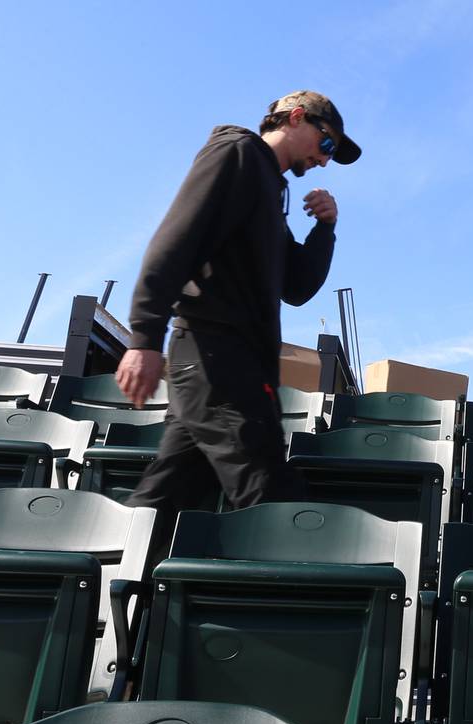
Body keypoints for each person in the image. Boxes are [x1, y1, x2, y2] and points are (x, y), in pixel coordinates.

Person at [115, 90, 361, 514]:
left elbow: (296, 287)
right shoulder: (237, 155)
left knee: (166, 504)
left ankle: (114, 574)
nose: (325, 160)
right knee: (271, 501)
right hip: (219, 358)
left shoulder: (270, 191)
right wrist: (144, 338)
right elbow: (175, 242)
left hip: (230, 362)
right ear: (296, 117)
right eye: (326, 145)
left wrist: (325, 229)